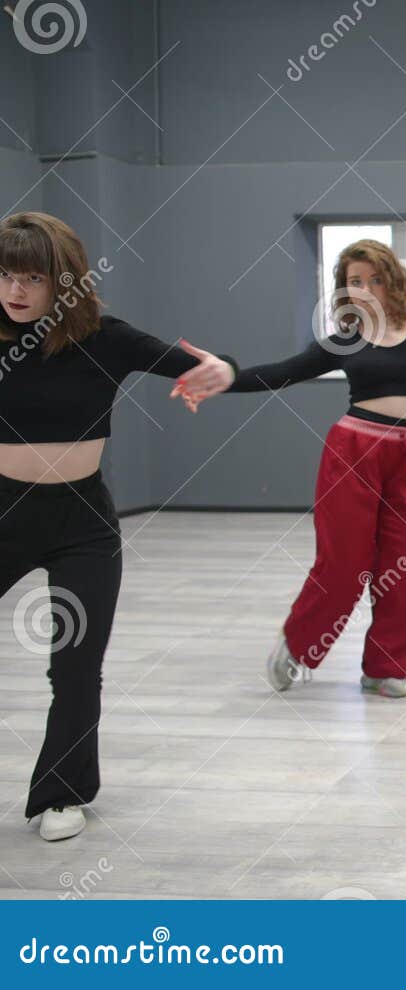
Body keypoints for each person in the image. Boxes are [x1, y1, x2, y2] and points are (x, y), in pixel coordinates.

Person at [181, 239, 406, 699]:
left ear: (392, 281)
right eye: (355, 282)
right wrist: (227, 379)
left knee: (405, 567)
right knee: (344, 564)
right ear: (345, 291)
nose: (366, 288)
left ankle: (385, 667)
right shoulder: (345, 342)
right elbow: (282, 372)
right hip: (353, 452)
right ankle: (298, 646)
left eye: (374, 279)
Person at [0, 211, 236, 841]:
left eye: (30, 278)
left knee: (76, 663)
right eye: (4, 277)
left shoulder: (103, 336)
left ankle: (63, 793)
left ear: (63, 280)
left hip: (82, 522)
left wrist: (219, 370)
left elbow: (195, 362)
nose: (14, 292)